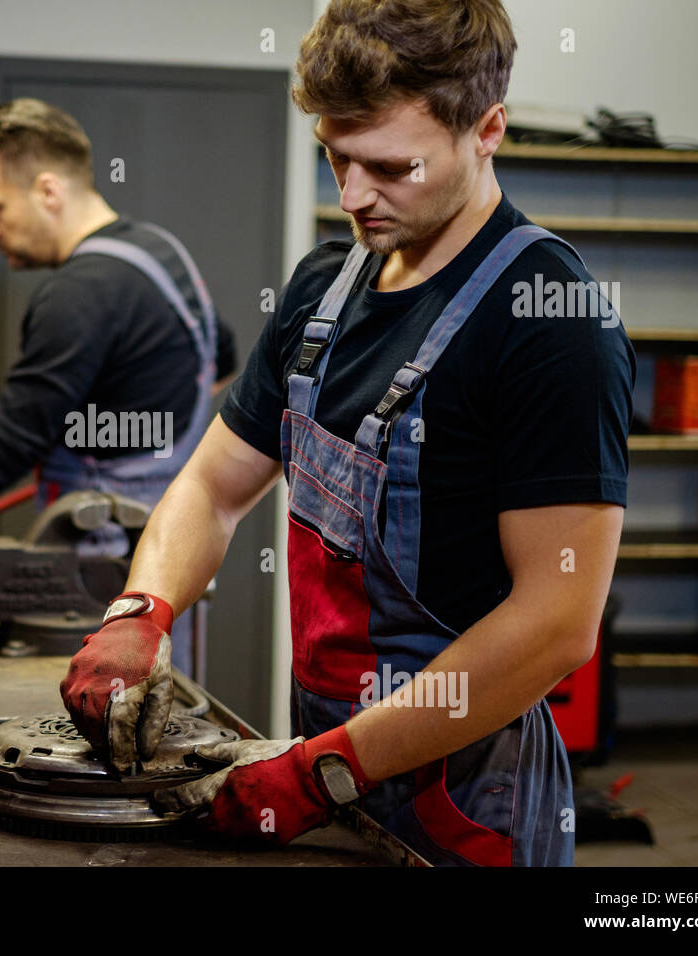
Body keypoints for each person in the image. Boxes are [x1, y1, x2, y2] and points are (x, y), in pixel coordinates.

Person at [60, 0, 635, 866]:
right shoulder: (325, 288)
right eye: (336, 158)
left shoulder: (550, 321)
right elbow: (215, 486)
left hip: (463, 794)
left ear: (488, 129)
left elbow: (558, 625)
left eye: (391, 167)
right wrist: (141, 611)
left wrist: (325, 773)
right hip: (322, 757)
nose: (354, 196)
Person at [0, 99, 235, 673]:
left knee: (96, 737)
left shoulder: (77, 293)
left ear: (48, 191)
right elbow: (222, 361)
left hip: (98, 589)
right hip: (166, 573)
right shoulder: (159, 252)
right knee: (157, 731)